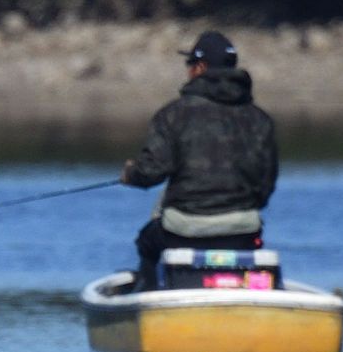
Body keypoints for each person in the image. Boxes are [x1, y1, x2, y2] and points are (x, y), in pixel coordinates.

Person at [119, 30, 278, 290]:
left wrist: (130, 174)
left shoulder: (173, 115)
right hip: (243, 233)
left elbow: (151, 171)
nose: (188, 69)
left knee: (146, 242)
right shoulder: (260, 120)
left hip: (181, 232)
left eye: (190, 64)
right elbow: (266, 187)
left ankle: (148, 298)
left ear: (200, 68)